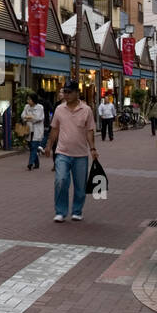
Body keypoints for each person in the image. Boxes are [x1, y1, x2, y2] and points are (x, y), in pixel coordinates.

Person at [43, 80, 97, 222]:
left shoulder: (87, 110)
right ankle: (60, 211)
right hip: (62, 152)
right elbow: (54, 129)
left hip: (81, 155)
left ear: (76, 93)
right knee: (60, 180)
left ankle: (77, 211)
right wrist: (49, 145)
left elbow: (89, 131)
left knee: (80, 186)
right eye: (64, 92)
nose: (65, 95)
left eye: (68, 92)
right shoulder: (60, 109)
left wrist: (92, 149)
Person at [22, 92, 46, 171]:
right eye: (27, 99)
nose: (28, 101)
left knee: (34, 146)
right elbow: (23, 116)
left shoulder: (40, 107)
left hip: (37, 130)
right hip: (29, 130)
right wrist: (29, 117)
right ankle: (37, 163)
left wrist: (28, 117)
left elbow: (38, 118)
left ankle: (30, 163)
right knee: (31, 146)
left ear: (34, 100)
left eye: (29, 99)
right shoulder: (26, 106)